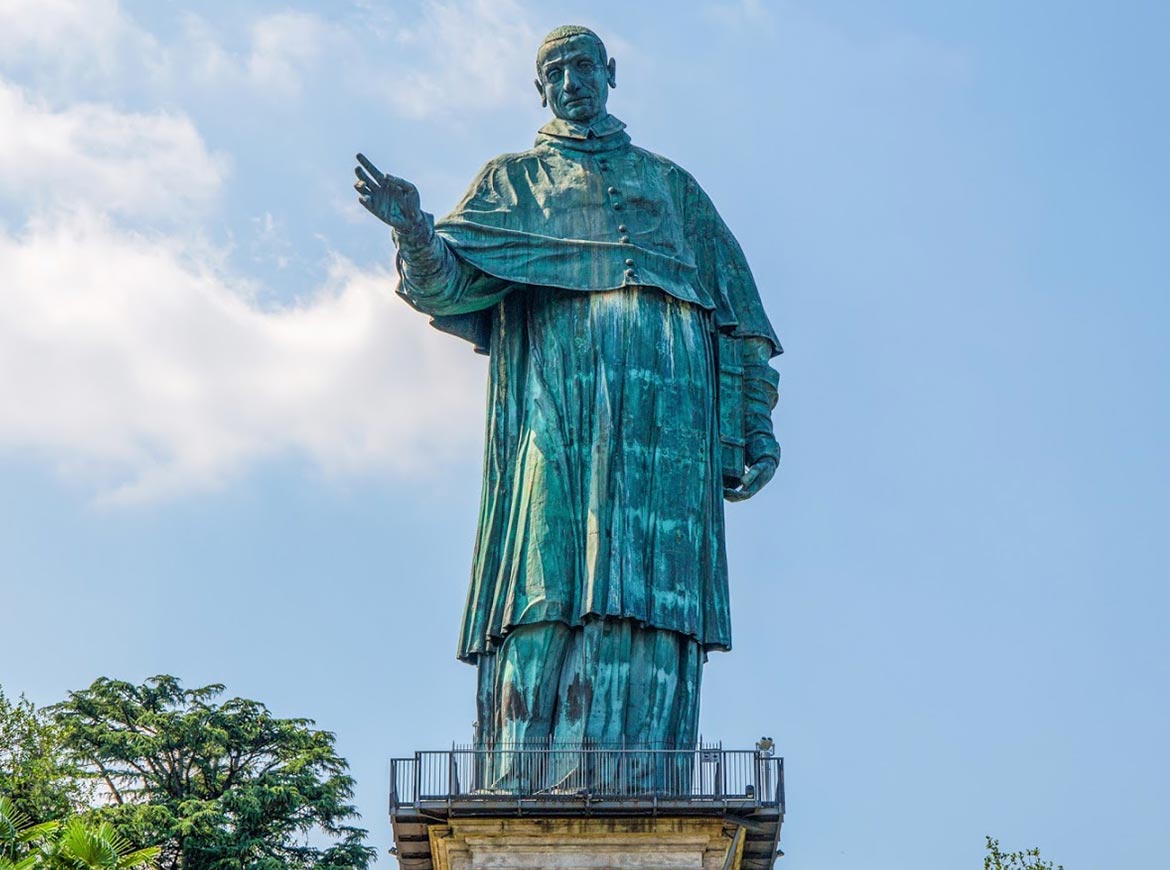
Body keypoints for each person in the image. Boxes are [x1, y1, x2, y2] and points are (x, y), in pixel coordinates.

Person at [355, 25, 781, 769]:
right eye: (554, 71)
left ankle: (641, 766)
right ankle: (525, 767)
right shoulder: (511, 184)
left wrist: (753, 427)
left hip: (666, 425)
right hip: (554, 408)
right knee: (542, 572)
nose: (571, 81)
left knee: (651, 587)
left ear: (611, 73)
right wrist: (417, 232)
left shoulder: (673, 188)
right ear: (539, 89)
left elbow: (740, 319)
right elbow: (447, 284)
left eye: (583, 65)